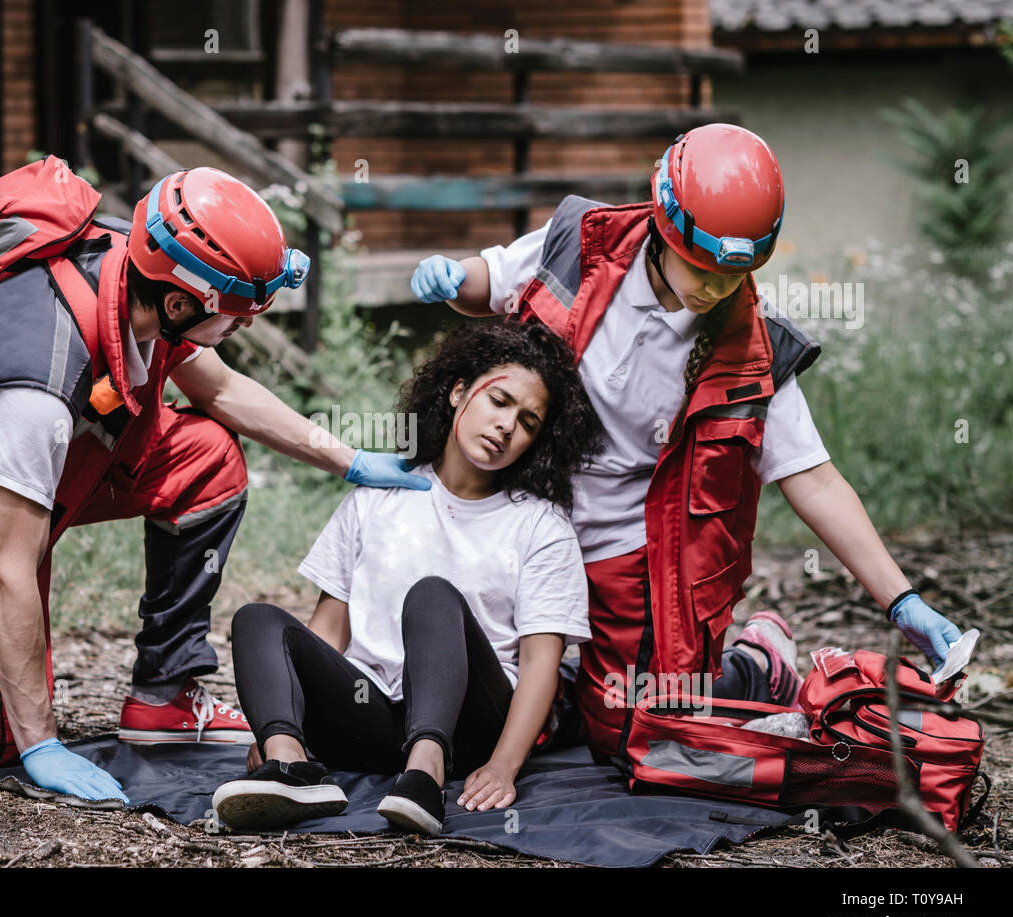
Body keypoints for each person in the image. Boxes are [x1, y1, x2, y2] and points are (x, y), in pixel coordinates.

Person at [0, 166, 429, 804]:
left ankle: (163, 692)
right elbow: (10, 569)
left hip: (52, 466)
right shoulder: (34, 381)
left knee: (205, 460)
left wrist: (347, 458)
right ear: (184, 301)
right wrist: (40, 742)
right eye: (240, 311)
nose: (247, 324)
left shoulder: (137, 270)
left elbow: (216, 386)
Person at [409, 123, 966, 765]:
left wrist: (904, 602)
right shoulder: (580, 241)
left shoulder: (754, 350)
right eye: (700, 268)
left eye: (733, 276)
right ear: (664, 228)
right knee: (475, 702)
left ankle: (755, 665)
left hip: (631, 551)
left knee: (632, 736)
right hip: (523, 520)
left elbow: (812, 480)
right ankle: (557, 691)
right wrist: (454, 278)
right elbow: (494, 281)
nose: (713, 289)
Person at [210, 318, 604, 834]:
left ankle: (424, 776)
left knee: (433, 596)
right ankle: (290, 768)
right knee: (258, 619)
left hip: (469, 725)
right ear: (459, 391)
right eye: (499, 401)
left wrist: (504, 766)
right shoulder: (379, 496)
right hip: (370, 718)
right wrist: (280, 722)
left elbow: (539, 667)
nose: (507, 426)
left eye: (529, 422)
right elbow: (328, 633)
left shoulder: (540, 525)